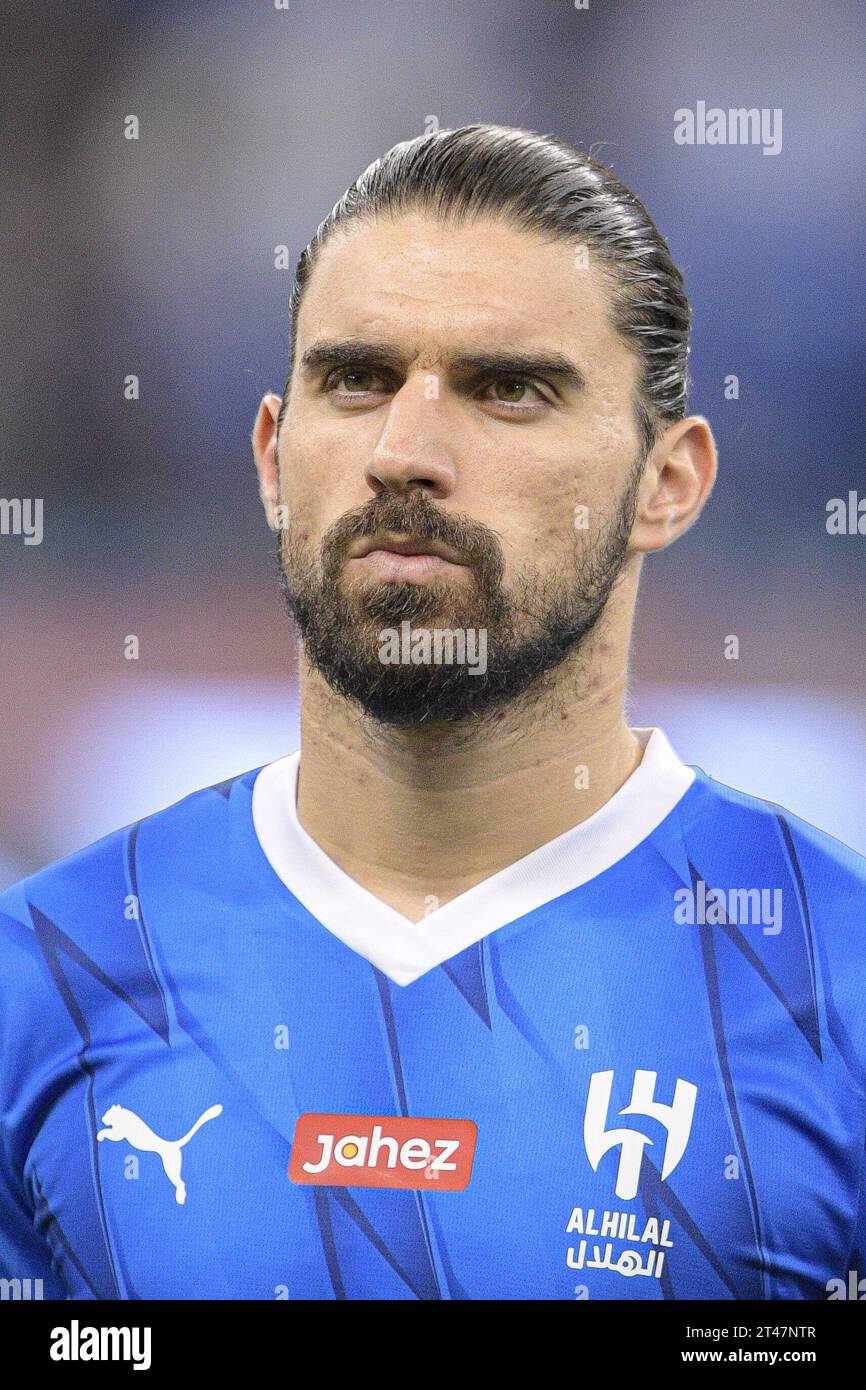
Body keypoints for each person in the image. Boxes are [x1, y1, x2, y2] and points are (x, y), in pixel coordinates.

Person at [1, 125, 863, 1301]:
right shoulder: (46, 973)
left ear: (666, 483)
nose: (403, 451)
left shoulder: (832, 979)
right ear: (270, 455)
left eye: (506, 389)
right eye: (353, 380)